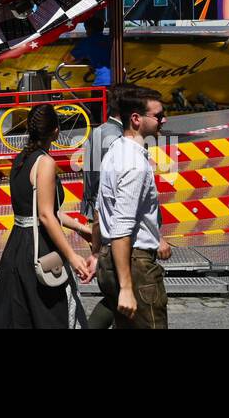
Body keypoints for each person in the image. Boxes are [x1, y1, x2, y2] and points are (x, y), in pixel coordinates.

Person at [0, 104, 95, 328]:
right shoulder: (45, 163)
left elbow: (42, 210)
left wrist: (80, 228)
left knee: (21, 317)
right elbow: (47, 215)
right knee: (52, 316)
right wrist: (72, 256)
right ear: (56, 131)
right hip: (39, 249)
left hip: (17, 247)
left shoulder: (20, 160)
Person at [95, 86, 171, 329]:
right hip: (134, 262)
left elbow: (100, 208)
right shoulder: (134, 163)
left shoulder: (115, 151)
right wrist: (127, 288)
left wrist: (96, 251)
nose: (164, 120)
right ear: (136, 119)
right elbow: (122, 226)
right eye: (158, 116)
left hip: (111, 258)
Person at [81, 83, 128, 329]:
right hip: (110, 218)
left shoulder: (97, 131)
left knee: (116, 288)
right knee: (119, 288)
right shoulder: (117, 138)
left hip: (94, 211)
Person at [69, 13, 112, 87]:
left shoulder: (87, 42)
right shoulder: (110, 39)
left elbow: (68, 59)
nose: (86, 32)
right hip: (120, 80)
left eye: (86, 29)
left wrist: (85, 61)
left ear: (89, 29)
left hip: (103, 84)